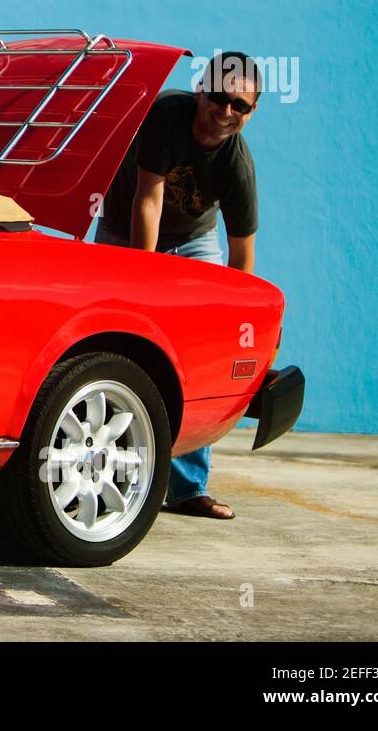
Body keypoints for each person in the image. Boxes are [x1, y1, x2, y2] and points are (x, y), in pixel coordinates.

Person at [95, 51, 262, 520]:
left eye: (240, 105)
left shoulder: (237, 166)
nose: (225, 111)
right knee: (117, 343)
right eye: (218, 97)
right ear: (199, 91)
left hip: (193, 240)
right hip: (126, 230)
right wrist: (144, 284)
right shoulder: (168, 116)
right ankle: (115, 470)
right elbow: (148, 200)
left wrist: (233, 323)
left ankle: (187, 489)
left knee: (197, 352)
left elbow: (241, 256)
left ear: (251, 114)